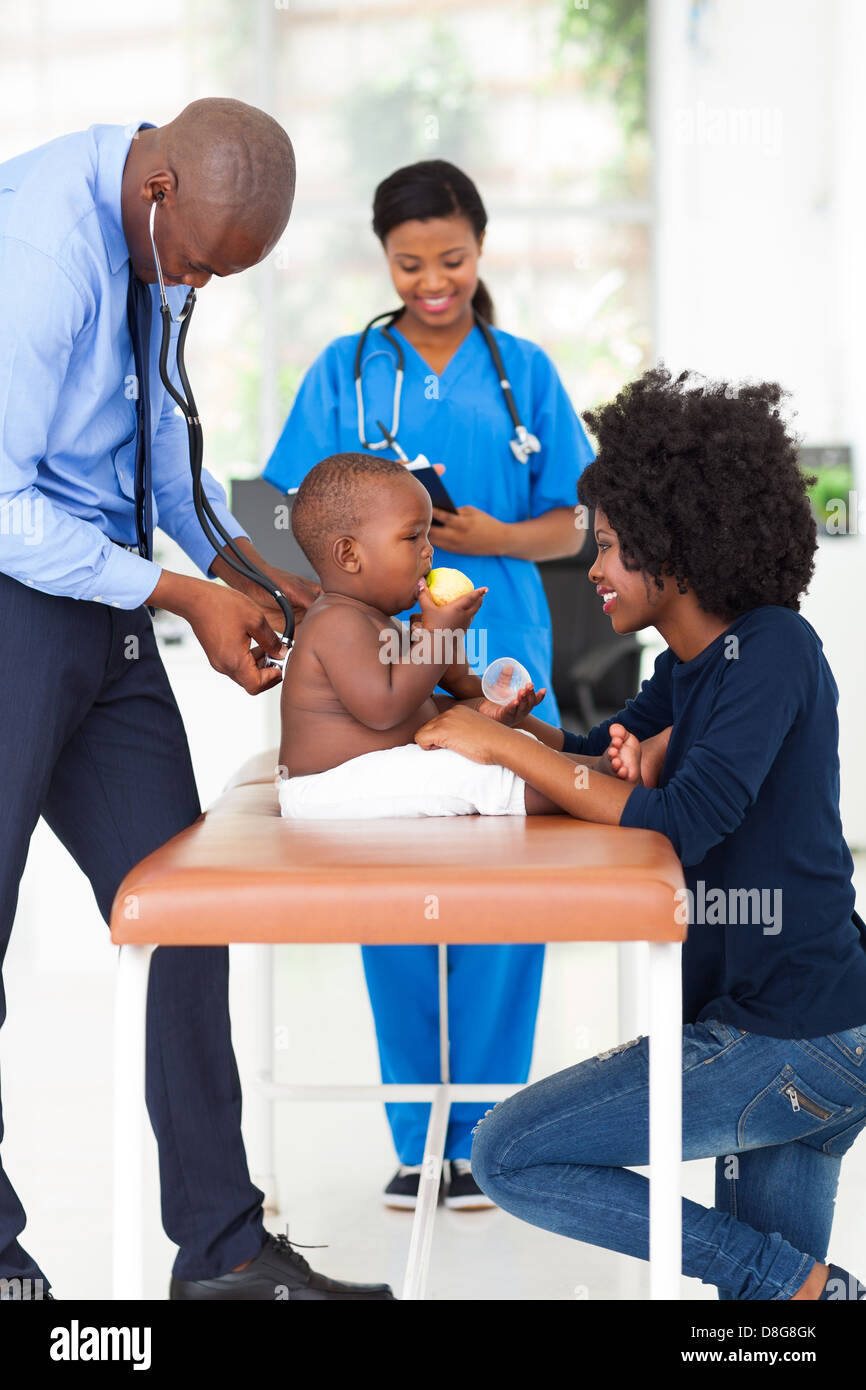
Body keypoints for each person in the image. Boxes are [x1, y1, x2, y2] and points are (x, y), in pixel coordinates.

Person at [0, 99, 395, 1300]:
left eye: (227, 275)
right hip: (14, 594)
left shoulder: (165, 238)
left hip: (101, 603)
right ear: (159, 190)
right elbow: (5, 506)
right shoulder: (41, 255)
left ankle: (222, 1251)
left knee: (185, 906)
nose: (199, 289)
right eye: (199, 266)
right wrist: (182, 591)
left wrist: (251, 577)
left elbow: (161, 455)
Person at [414, 366, 866, 1301]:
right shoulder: (690, 664)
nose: (594, 570)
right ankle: (803, 1291)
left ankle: (815, 1290)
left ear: (681, 550)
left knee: (509, 1154)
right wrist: (501, 716)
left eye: (612, 548)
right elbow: (591, 755)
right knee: (763, 1321)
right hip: (781, 1028)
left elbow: (688, 816)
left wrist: (503, 747)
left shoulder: (773, 647)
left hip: (798, 1034)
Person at [264, 160, 594, 1209]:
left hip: (500, 649)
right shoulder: (345, 368)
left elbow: (578, 519)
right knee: (394, 889)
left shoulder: (521, 368)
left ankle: (496, 1131)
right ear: (384, 260)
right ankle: (419, 1141)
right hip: (381, 667)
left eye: (450, 259)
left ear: (480, 250)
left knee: (506, 897)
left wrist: (493, 535)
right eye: (408, 263)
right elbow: (290, 510)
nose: (431, 281)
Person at [276, 452, 668, 822]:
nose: (429, 552)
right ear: (349, 555)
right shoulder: (335, 623)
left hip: (375, 772)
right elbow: (385, 708)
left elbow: (438, 694)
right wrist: (438, 637)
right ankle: (593, 786)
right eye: (413, 538)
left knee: (504, 746)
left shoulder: (376, 621)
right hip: (331, 786)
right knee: (466, 771)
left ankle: (596, 771)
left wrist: (484, 705)